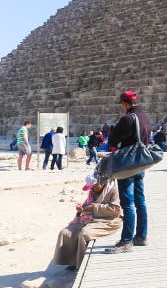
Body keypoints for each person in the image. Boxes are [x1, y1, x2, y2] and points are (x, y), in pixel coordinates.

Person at [105, 91, 152, 254]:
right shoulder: (144, 117)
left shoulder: (127, 118)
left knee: (128, 203)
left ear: (124, 103)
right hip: (140, 163)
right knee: (140, 201)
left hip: (127, 164)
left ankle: (126, 241)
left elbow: (112, 140)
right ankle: (141, 236)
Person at [53, 175, 122, 269]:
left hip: (109, 221)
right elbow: (85, 208)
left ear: (101, 184)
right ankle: (73, 262)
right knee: (65, 232)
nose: (91, 189)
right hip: (91, 219)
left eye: (93, 187)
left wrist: (94, 207)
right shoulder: (92, 192)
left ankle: (80, 264)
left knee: (84, 234)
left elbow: (116, 210)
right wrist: (80, 210)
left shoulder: (113, 190)